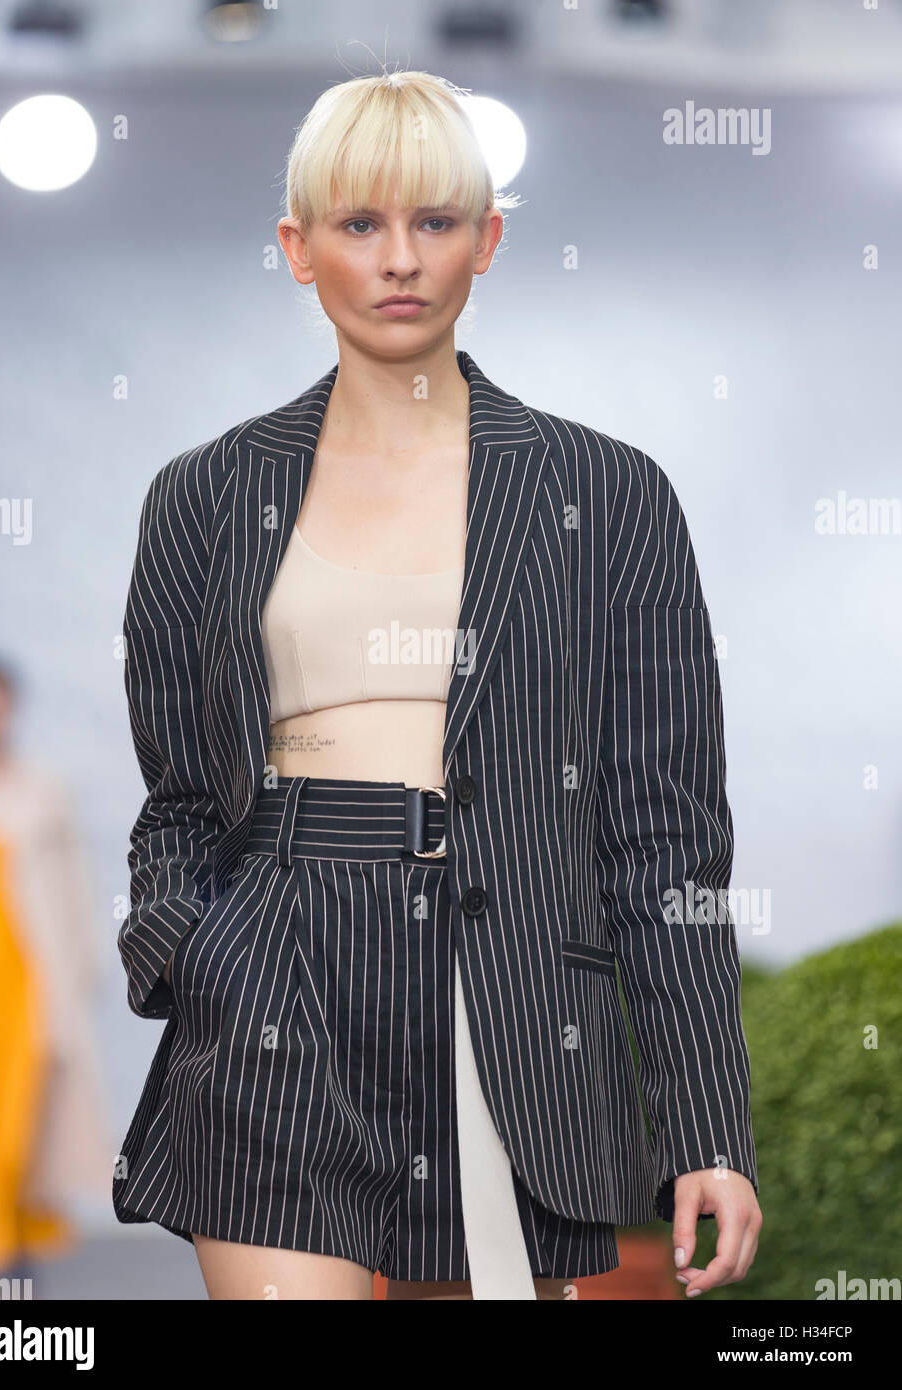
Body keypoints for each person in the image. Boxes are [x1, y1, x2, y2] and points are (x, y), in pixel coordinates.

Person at [112, 68, 761, 1301]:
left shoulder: (606, 495)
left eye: (435, 222)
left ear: (488, 240)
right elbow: (183, 795)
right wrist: (191, 951)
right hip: (271, 981)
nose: (399, 259)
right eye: (359, 225)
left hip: (504, 981)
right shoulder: (201, 495)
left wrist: (706, 1131)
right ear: (298, 252)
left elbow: (666, 839)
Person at [0, 655, 113, 1281]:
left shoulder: (44, 790)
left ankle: (3, 1266)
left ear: (10, 707)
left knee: (19, 1119)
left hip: (24, 986)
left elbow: (72, 891)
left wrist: (84, 970)